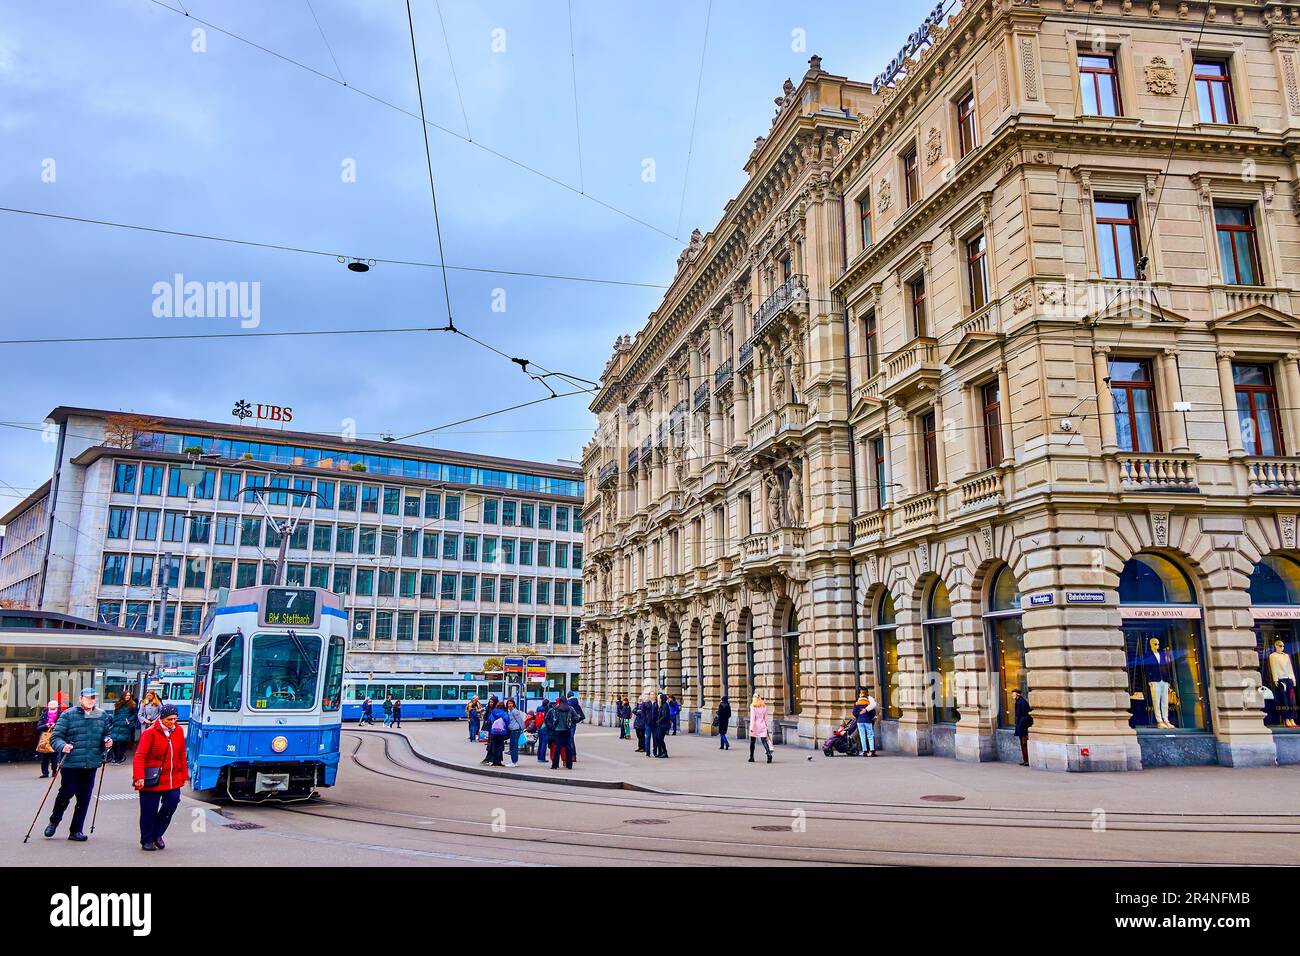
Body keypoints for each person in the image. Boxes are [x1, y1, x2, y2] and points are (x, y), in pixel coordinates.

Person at [43, 688, 113, 841]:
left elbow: (106, 734)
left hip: (91, 763)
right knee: (65, 794)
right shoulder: (68, 715)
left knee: (84, 798)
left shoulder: (101, 715)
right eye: (88, 698)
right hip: (71, 764)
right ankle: (54, 821)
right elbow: (55, 738)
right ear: (80, 699)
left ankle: (76, 830)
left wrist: (107, 741)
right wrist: (63, 746)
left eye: (93, 698)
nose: (91, 700)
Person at [132, 703, 187, 851]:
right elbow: (139, 756)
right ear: (162, 718)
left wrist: (184, 774)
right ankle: (147, 840)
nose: (173, 722)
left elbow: (182, 753)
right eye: (169, 719)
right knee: (149, 811)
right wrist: (138, 777)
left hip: (172, 778)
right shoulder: (150, 733)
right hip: (152, 778)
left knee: (172, 803)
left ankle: (157, 834)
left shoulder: (178, 731)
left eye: (175, 719)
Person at [545, 695, 575, 769]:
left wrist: (552, 726)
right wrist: (571, 723)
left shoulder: (555, 709)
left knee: (557, 748)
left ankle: (555, 765)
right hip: (567, 730)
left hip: (558, 731)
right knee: (568, 748)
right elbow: (576, 718)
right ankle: (569, 765)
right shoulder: (570, 709)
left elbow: (547, 719)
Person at [35, 698, 61, 777]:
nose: (52, 708)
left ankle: (54, 772)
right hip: (45, 738)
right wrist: (46, 725)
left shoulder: (61, 715)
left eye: (54, 707)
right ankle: (45, 773)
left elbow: (63, 726)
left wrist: (55, 725)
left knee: (54, 756)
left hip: (56, 737)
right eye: (51, 707)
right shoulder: (44, 715)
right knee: (45, 756)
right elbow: (38, 727)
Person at [110, 692, 137, 764]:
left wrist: (128, 721)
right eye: (126, 695)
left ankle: (119, 758)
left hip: (125, 725)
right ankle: (115, 757)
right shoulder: (118, 704)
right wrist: (114, 720)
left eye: (129, 695)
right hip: (116, 724)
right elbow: (115, 714)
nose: (128, 696)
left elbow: (135, 715)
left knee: (122, 743)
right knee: (114, 742)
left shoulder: (133, 704)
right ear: (123, 696)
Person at [748, 693, 773, 764]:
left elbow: (752, 718)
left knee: (752, 741)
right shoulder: (764, 706)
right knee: (764, 741)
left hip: (755, 726)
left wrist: (751, 727)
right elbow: (765, 718)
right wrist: (766, 726)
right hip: (762, 725)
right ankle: (769, 754)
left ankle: (751, 757)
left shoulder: (753, 706)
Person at [852, 692, 878, 757]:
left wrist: (858, 717)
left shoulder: (856, 704)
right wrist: (870, 717)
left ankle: (864, 751)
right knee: (870, 736)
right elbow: (873, 713)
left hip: (860, 721)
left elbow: (854, 713)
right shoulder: (868, 704)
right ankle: (872, 751)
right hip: (868, 721)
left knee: (862, 736)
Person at [1012, 688, 1033, 766]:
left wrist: (1021, 724)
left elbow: (1025, 715)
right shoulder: (1018, 702)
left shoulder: (1022, 702)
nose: (1012, 695)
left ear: (1018, 694)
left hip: (1023, 726)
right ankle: (1025, 760)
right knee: (1022, 743)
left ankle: (1027, 761)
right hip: (1020, 725)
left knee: (1024, 743)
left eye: (1013, 694)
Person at [486, 698, 510, 767]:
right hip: (502, 732)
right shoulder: (504, 713)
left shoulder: (493, 712)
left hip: (493, 732)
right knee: (500, 746)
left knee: (494, 746)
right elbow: (507, 722)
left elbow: (490, 721)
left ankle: (494, 761)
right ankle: (498, 761)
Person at [505, 699, 525, 767]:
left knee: (514, 746)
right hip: (513, 730)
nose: (509, 705)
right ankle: (514, 761)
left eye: (511, 703)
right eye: (508, 703)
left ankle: (514, 762)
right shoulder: (510, 711)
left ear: (513, 704)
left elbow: (520, 720)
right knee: (513, 746)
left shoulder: (514, 711)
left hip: (515, 730)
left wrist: (522, 728)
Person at [638, 694, 658, 759]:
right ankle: (648, 752)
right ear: (649, 696)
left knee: (655, 738)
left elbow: (659, 712)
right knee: (648, 737)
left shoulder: (657, 703)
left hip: (655, 724)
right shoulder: (645, 703)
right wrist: (645, 720)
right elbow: (642, 712)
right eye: (651, 694)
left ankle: (655, 752)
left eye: (654, 694)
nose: (653, 695)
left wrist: (658, 721)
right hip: (648, 723)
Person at [566, 692, 584, 761]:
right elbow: (581, 715)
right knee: (571, 739)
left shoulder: (568, 704)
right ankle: (573, 756)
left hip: (568, 724)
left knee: (568, 740)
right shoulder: (576, 703)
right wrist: (575, 721)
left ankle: (570, 755)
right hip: (573, 725)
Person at [654, 693, 672, 757]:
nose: (659, 699)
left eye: (660, 698)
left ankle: (665, 752)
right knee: (657, 738)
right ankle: (660, 752)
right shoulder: (662, 705)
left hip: (664, 725)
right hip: (661, 725)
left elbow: (665, 716)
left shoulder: (665, 706)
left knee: (660, 739)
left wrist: (658, 721)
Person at [535, 698, 551, 763]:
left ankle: (539, 757)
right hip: (544, 728)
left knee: (540, 743)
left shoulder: (538, 709)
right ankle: (542, 758)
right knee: (544, 744)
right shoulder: (547, 710)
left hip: (539, 727)